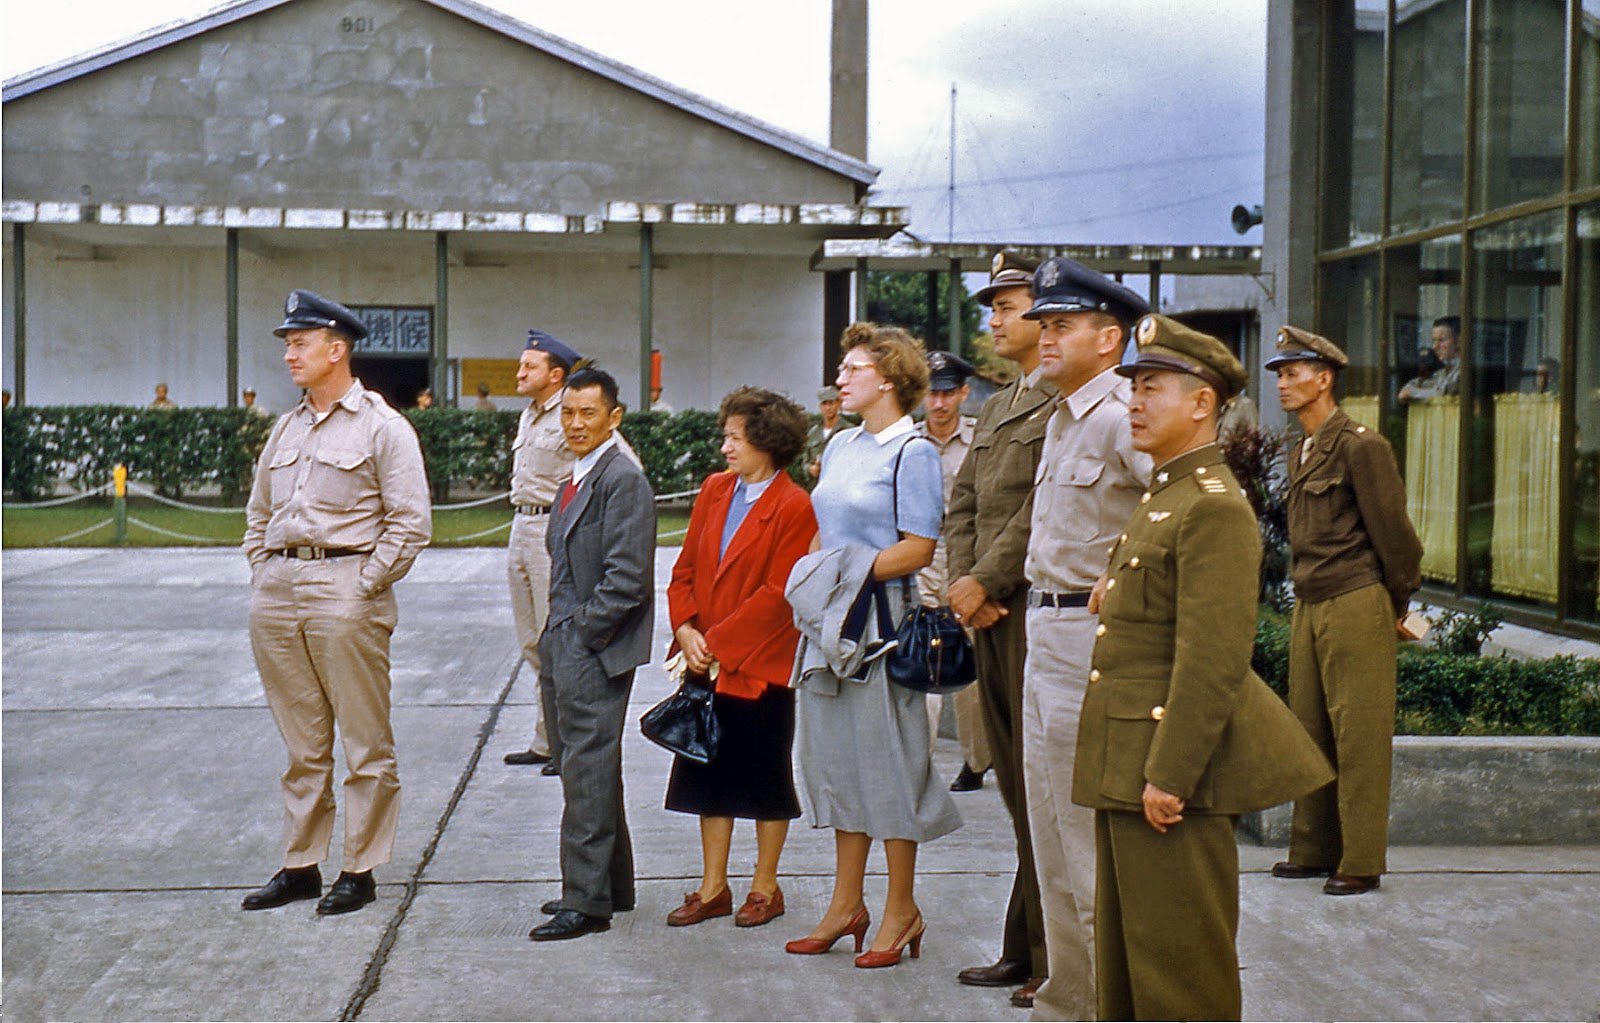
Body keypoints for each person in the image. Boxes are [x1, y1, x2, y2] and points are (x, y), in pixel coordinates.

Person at [1074, 314, 1332, 1021]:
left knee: (1181, 974)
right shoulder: (1168, 494)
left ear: (1201, 402)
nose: (1133, 400)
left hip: (1166, 771)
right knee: (1131, 967)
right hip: (1131, 759)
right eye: (1132, 386)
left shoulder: (1214, 507)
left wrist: (1172, 771)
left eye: (1150, 386)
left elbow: (1213, 660)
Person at [239, 289, 432, 916]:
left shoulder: (382, 426)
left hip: (345, 589)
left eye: (301, 343)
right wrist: (263, 571)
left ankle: (361, 867)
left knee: (364, 741)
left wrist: (365, 584)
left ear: (337, 348)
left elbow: (410, 523)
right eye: (289, 344)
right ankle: (300, 865)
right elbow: (258, 513)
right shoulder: (286, 426)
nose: (291, 354)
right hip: (280, 593)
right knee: (302, 742)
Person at [786, 322, 960, 969]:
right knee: (836, 764)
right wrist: (814, 585)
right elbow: (821, 532)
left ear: (888, 378)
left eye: (852, 367)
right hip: (830, 625)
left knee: (890, 765)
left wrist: (844, 570)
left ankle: (901, 908)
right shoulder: (838, 445)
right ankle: (845, 905)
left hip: (882, 629)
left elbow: (919, 547)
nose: (841, 377)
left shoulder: (911, 452)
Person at [1019, 256, 1152, 1021]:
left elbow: (1179, 506)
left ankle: (1115, 1005)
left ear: (1109, 339)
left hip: (1089, 638)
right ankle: (1070, 1001)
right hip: (1046, 630)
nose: (1045, 337)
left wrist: (1129, 572)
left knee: (1086, 840)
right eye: (1044, 324)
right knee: (1051, 841)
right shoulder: (1063, 415)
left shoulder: (1118, 414)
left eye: (1061, 325)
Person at [1267, 325, 1423, 896]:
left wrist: (1397, 600)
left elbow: (1396, 536)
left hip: (1356, 598)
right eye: (1280, 374)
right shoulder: (1302, 447)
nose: (1283, 383)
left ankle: (1359, 858)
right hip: (1310, 600)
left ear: (1324, 378)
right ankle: (1311, 848)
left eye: (1293, 373)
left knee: (1359, 734)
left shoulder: (1362, 446)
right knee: (1308, 730)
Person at [663, 387, 817, 929]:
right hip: (705, 660)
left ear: (767, 441)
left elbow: (779, 594)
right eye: (726, 436)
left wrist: (718, 644)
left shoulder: (794, 505)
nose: (726, 447)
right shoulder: (713, 490)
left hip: (760, 666)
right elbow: (684, 568)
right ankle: (712, 887)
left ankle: (765, 887)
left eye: (735, 437)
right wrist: (685, 629)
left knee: (765, 777)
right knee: (709, 774)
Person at [944, 251, 1054, 1005]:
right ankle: (1026, 943)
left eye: (1006, 304)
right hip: (985, 608)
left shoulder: (1066, 403)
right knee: (1017, 789)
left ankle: (1053, 954)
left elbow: (1035, 512)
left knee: (1042, 791)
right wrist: (962, 582)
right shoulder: (1008, 401)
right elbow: (965, 505)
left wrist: (985, 580)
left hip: (1022, 609)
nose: (994, 318)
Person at [528, 366, 656, 942]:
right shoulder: (573, 480)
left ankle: (586, 903)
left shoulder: (621, 480)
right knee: (591, 770)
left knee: (584, 772)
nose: (576, 423)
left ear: (614, 418)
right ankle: (611, 887)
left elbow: (627, 580)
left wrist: (580, 634)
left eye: (588, 413)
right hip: (564, 643)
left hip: (592, 648)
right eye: (569, 413)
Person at [501, 331, 581, 774]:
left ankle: (567, 745)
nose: (519, 373)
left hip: (552, 528)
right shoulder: (530, 417)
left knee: (557, 642)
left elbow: (619, 467)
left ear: (555, 375)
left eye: (528, 366)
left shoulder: (571, 416)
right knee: (533, 641)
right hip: (520, 524)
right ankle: (545, 739)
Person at [913, 352, 991, 793]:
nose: (939, 403)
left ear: (963, 393)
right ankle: (917, 762)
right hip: (922, 554)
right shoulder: (908, 440)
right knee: (922, 656)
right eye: (931, 392)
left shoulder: (981, 438)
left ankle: (976, 761)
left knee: (970, 668)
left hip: (969, 555)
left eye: (947, 393)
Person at [1397, 315, 1461, 403]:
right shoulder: (1442, 371)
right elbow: (1417, 384)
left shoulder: (1463, 372)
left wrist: (1413, 393)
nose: (1435, 346)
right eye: (1434, 340)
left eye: (1441, 340)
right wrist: (1410, 391)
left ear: (1458, 341)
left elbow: (1445, 392)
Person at [803, 386, 846, 479]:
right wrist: (811, 469)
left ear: (838, 405)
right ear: (820, 407)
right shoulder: (814, 432)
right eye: (824, 404)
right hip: (816, 486)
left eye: (831, 403)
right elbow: (805, 461)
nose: (828, 408)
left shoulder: (847, 430)